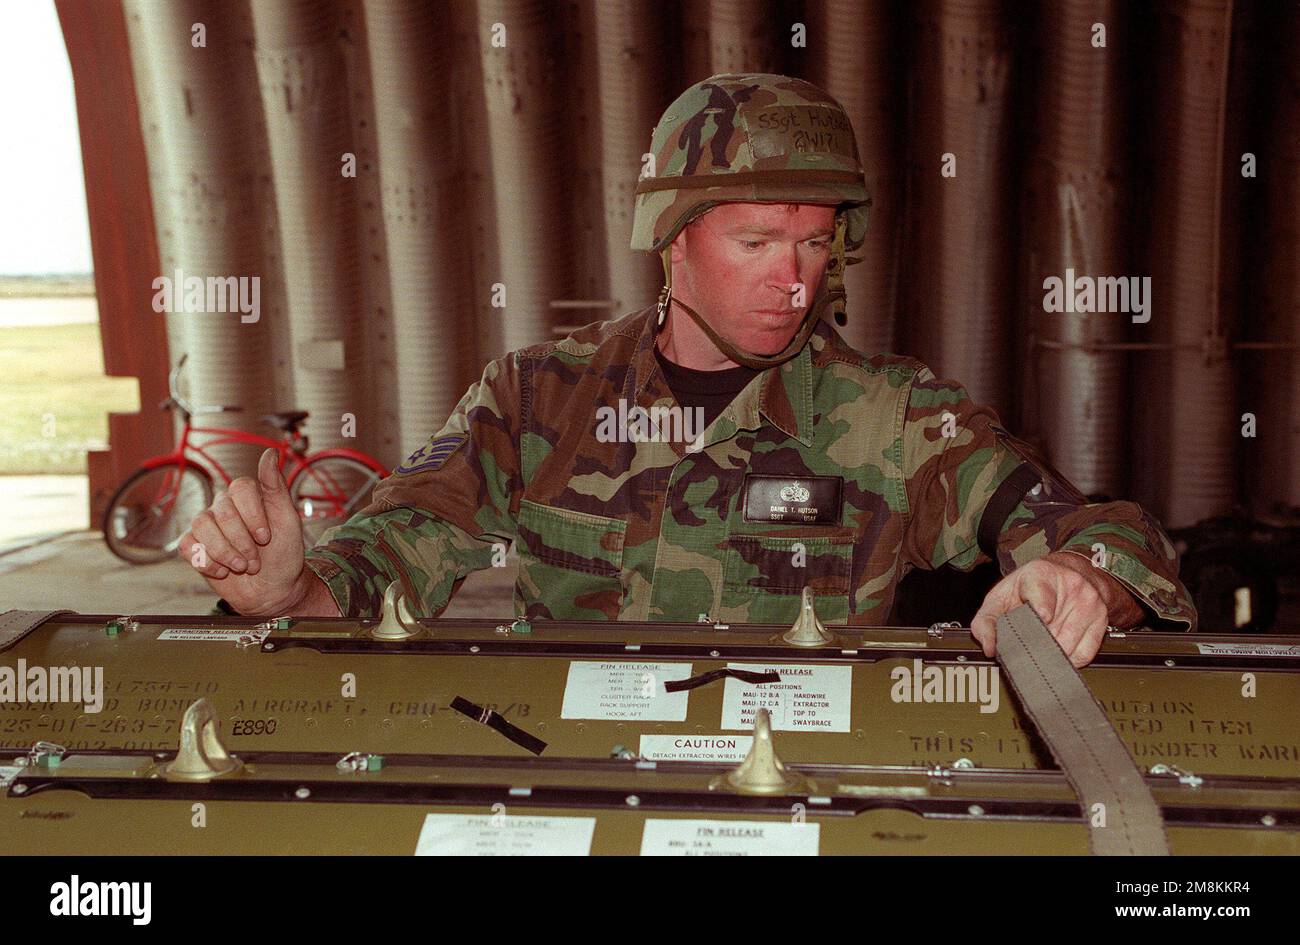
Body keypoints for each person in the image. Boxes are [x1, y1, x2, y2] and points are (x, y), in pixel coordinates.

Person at [177, 73, 1197, 668]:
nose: (793, 282)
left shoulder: (888, 412)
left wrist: (1084, 580)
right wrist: (288, 591)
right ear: (671, 242)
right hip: (568, 775)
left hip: (802, 787)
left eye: (813, 246)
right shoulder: (536, 398)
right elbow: (384, 566)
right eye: (755, 243)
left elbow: (1091, 526)